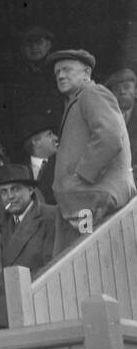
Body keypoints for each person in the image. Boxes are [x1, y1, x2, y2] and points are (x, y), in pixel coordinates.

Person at [46, 48, 136, 255]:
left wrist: (81, 176)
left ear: (86, 73)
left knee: (83, 258)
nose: (60, 75)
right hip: (82, 199)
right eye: (57, 72)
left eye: (67, 69)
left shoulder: (92, 93)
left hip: (91, 197)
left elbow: (110, 136)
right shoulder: (76, 100)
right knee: (74, 261)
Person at [0, 164, 57, 275]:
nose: (10, 196)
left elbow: (53, 266)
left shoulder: (51, 217)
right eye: (4, 192)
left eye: (15, 189)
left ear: (30, 190)